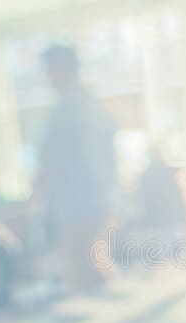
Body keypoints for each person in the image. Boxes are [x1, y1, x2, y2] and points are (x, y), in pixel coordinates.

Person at [36, 45, 118, 291]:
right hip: (97, 203)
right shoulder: (92, 104)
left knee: (85, 273)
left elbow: (49, 161)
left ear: (62, 69)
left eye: (49, 69)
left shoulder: (67, 110)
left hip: (77, 208)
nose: (47, 76)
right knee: (95, 267)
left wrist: (29, 205)